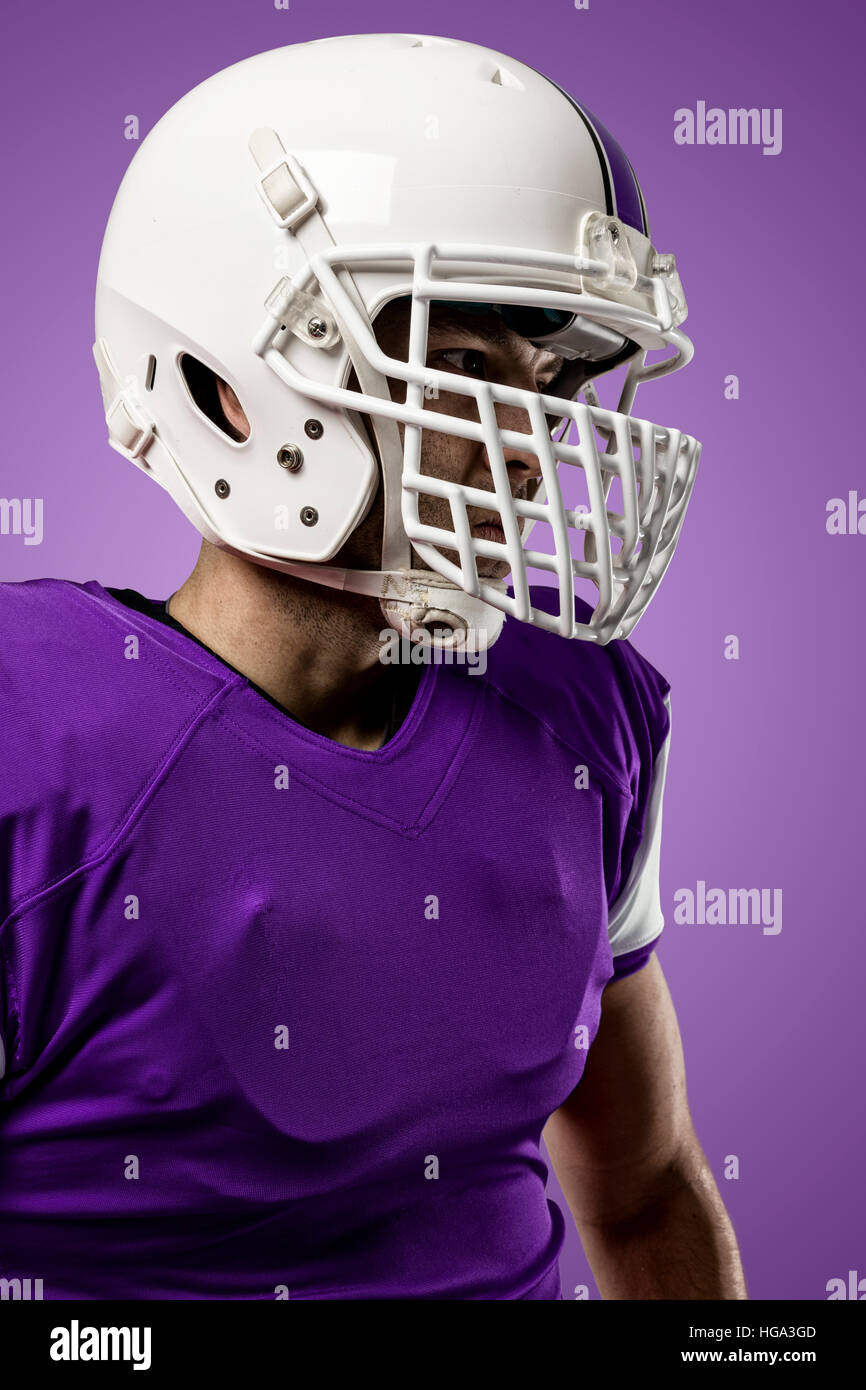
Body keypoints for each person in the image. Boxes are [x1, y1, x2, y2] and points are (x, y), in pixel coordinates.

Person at [0, 32, 745, 1299]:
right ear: (229, 386)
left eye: (549, 386)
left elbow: (642, 1181)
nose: (528, 452)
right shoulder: (33, 731)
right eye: (459, 373)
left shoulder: (576, 710)